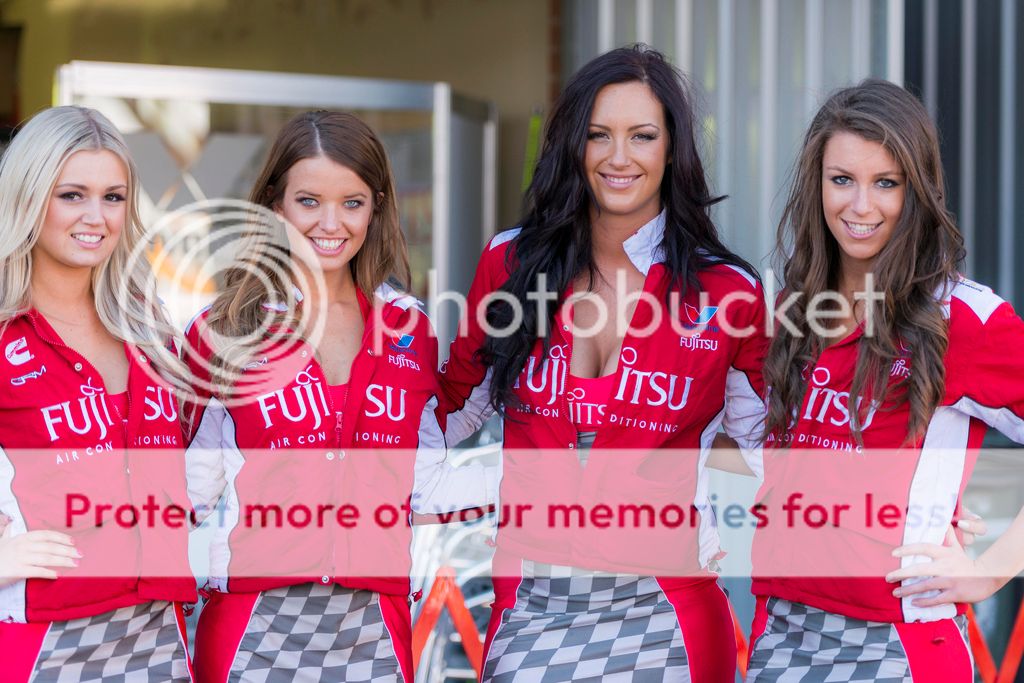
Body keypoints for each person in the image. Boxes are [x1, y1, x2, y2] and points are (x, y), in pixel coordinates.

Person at [437, 45, 767, 682]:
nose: (620, 158)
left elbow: (777, 446)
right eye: (599, 136)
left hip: (670, 615)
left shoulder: (727, 291)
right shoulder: (511, 262)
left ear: (672, 150)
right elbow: (448, 408)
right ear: (573, 147)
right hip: (532, 612)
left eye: (642, 136)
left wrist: (908, 503)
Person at [183, 110, 495, 683]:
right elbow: (185, 496)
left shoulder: (409, 327)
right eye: (309, 202)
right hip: (252, 631)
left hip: (375, 630)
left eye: (352, 202)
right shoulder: (221, 331)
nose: (332, 223)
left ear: (375, 207)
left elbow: (422, 482)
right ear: (275, 205)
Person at [747, 79, 1024, 681]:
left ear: (917, 190)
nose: (860, 206)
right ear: (817, 183)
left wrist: (994, 566)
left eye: (886, 183)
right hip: (779, 633)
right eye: (842, 179)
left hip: (896, 647)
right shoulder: (788, 311)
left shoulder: (962, 319)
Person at [0, 106, 196, 681]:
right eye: (72, 195)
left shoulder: (151, 328)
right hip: (42, 640)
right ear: (28, 198)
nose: (96, 217)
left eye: (113, 197)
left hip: (160, 634)